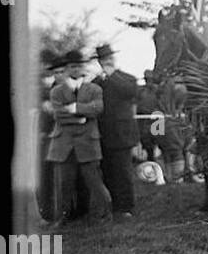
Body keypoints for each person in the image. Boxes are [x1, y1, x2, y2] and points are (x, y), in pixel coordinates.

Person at [45, 51, 112, 224]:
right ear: (66, 69)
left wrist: (74, 108)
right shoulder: (57, 91)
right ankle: (62, 217)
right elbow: (58, 115)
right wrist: (83, 115)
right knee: (63, 184)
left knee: (95, 182)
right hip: (63, 144)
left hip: (88, 142)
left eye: (79, 65)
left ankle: (104, 215)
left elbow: (98, 108)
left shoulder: (95, 89)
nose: (76, 69)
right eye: (72, 66)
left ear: (84, 67)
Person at [91, 44, 138, 219]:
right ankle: (113, 206)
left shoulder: (127, 78)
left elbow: (130, 93)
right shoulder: (96, 82)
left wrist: (111, 76)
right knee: (108, 171)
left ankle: (126, 207)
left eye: (109, 58)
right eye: (103, 60)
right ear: (99, 62)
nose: (107, 62)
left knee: (123, 172)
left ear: (114, 59)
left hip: (122, 134)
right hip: (103, 134)